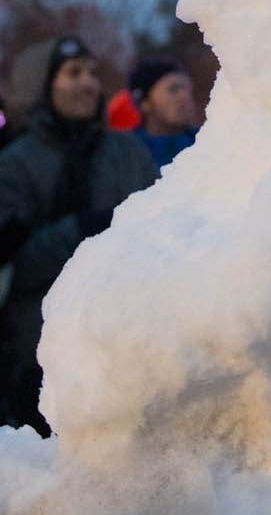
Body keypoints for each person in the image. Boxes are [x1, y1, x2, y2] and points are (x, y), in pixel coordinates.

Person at [0, 36, 158, 435]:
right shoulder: (13, 165)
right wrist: (82, 230)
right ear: (41, 85)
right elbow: (13, 269)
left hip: (130, 346)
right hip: (39, 360)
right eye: (73, 73)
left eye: (92, 72)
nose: (89, 82)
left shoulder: (130, 154)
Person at [127, 56, 199, 170]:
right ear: (144, 102)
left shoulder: (209, 143)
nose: (185, 96)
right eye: (173, 89)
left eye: (188, 89)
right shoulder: (125, 153)